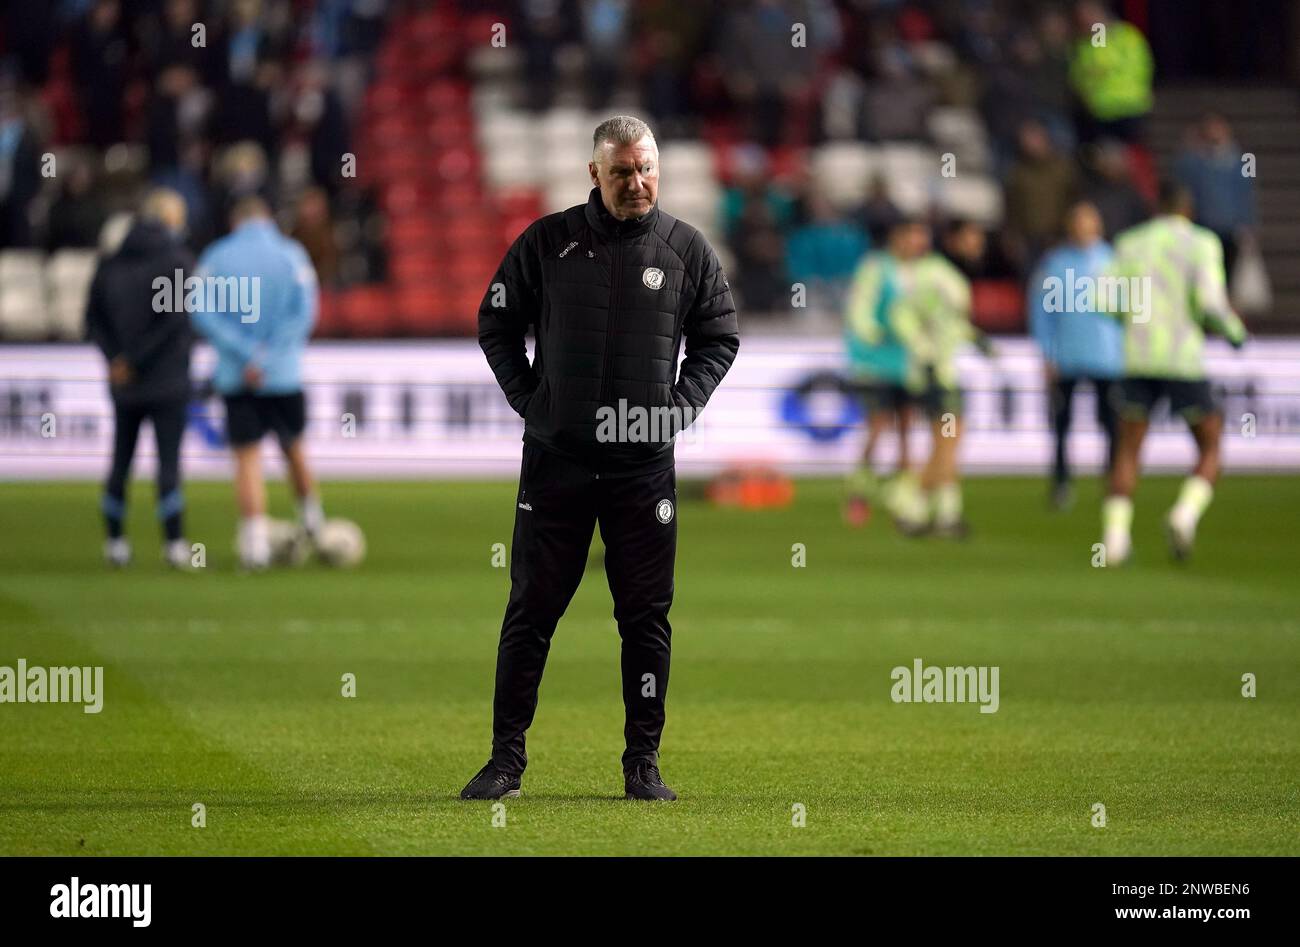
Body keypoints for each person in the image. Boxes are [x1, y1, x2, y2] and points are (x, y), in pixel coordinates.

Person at [466, 116, 739, 802]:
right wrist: (532, 400)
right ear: (594, 173)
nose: (637, 182)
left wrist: (680, 408)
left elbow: (720, 337)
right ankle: (506, 760)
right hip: (557, 459)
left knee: (645, 617)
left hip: (642, 468)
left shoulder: (686, 249)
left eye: (646, 168)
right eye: (622, 172)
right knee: (531, 610)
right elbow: (495, 320)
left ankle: (642, 762)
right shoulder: (548, 242)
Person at [1101, 183, 1246, 564]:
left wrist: (1131, 320)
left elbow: (1102, 299)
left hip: (1139, 358)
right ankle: (1185, 513)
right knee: (1210, 445)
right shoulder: (1202, 243)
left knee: (1128, 450)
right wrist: (1234, 332)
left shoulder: (1130, 242)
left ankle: (1114, 541)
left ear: (1156, 207)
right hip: (1182, 360)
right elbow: (1211, 303)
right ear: (1188, 208)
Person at [190, 195, 323, 570]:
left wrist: (246, 355)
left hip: (237, 376)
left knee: (247, 458)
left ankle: (254, 545)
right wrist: (268, 356)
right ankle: (313, 524)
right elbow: (306, 312)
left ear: (236, 222)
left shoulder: (216, 256)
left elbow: (201, 312)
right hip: (282, 376)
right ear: (267, 220)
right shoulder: (291, 253)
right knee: (294, 448)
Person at [85, 188, 195, 568]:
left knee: (120, 462)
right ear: (168, 219)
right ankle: (175, 546)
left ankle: (115, 545)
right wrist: (136, 358)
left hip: (123, 383)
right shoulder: (178, 261)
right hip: (167, 380)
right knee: (168, 463)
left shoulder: (109, 263)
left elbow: (92, 321)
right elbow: (175, 322)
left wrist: (117, 359)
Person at [890, 232, 992, 538]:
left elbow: (929, 319)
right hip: (939, 374)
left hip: (932, 371)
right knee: (949, 441)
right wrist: (928, 350)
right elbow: (909, 316)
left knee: (945, 443)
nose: (977, 245)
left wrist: (972, 337)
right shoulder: (938, 277)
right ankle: (919, 510)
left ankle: (939, 513)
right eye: (971, 239)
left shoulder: (928, 275)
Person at [1028, 201, 1123, 509]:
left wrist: (1126, 351)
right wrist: (1047, 352)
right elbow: (1041, 311)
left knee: (1111, 423)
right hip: (1065, 357)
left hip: (1107, 358)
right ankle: (1061, 482)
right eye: (1078, 221)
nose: (1083, 227)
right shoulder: (1055, 263)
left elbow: (1131, 311)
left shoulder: (1115, 261)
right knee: (1060, 423)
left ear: (1098, 226)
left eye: (1089, 221)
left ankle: (1114, 482)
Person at [842, 219, 927, 528]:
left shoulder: (922, 273)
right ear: (897, 238)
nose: (917, 244)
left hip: (907, 365)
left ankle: (902, 499)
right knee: (877, 427)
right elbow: (859, 310)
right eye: (913, 237)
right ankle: (859, 493)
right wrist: (877, 334)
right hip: (875, 364)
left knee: (906, 428)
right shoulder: (876, 268)